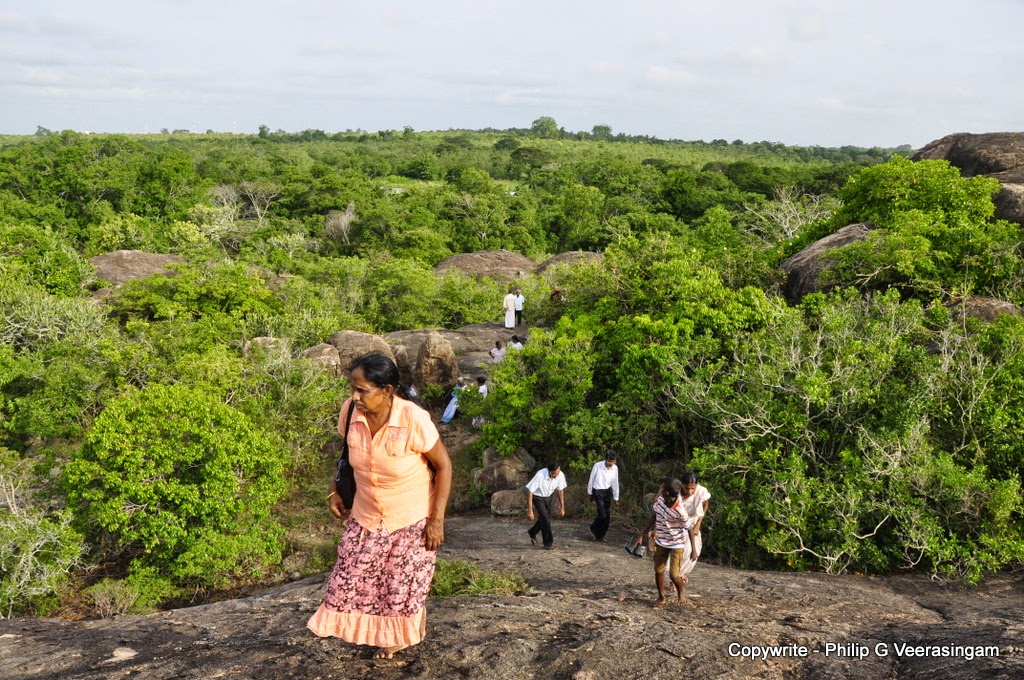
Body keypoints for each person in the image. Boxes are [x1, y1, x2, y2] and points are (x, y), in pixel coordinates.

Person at [308, 352, 453, 660]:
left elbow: (444, 466)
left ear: (387, 390)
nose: (354, 396)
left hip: (411, 515)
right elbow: (346, 453)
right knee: (349, 578)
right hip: (366, 513)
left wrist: (437, 520)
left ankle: (403, 635)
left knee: (401, 585)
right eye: (353, 388)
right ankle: (384, 629)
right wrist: (334, 489)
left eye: (363, 390)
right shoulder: (350, 412)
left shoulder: (413, 419)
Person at [634, 478, 696, 607]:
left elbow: (689, 528)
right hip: (661, 541)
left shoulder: (679, 509)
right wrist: (641, 534)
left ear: (667, 493)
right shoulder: (661, 501)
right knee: (658, 570)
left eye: (663, 489)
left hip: (677, 543)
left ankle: (681, 592)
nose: (661, 490)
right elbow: (654, 516)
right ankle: (661, 597)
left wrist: (694, 550)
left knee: (674, 575)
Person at [525, 462, 566, 549]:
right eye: (554, 474)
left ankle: (532, 532)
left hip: (548, 497)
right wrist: (530, 510)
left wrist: (562, 507)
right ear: (549, 471)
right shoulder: (540, 475)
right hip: (538, 497)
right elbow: (530, 491)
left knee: (543, 518)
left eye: (557, 473)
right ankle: (548, 543)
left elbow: (560, 491)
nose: (556, 476)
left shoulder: (560, 475)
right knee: (545, 519)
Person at [678, 471, 711, 577]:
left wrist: (698, 524)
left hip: (692, 522)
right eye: (687, 488)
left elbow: (705, 505)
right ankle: (674, 577)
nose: (690, 491)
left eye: (693, 488)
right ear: (682, 485)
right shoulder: (675, 490)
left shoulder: (700, 492)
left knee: (690, 551)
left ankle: (681, 574)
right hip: (676, 523)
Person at [586, 450, 620, 541]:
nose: (610, 463)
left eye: (612, 461)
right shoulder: (597, 466)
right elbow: (591, 479)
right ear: (605, 460)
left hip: (607, 491)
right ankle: (593, 528)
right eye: (609, 461)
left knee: (607, 515)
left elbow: (615, 483)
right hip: (597, 490)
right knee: (602, 515)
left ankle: (600, 535)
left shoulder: (615, 468)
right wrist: (590, 493)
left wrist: (616, 498)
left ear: (615, 461)